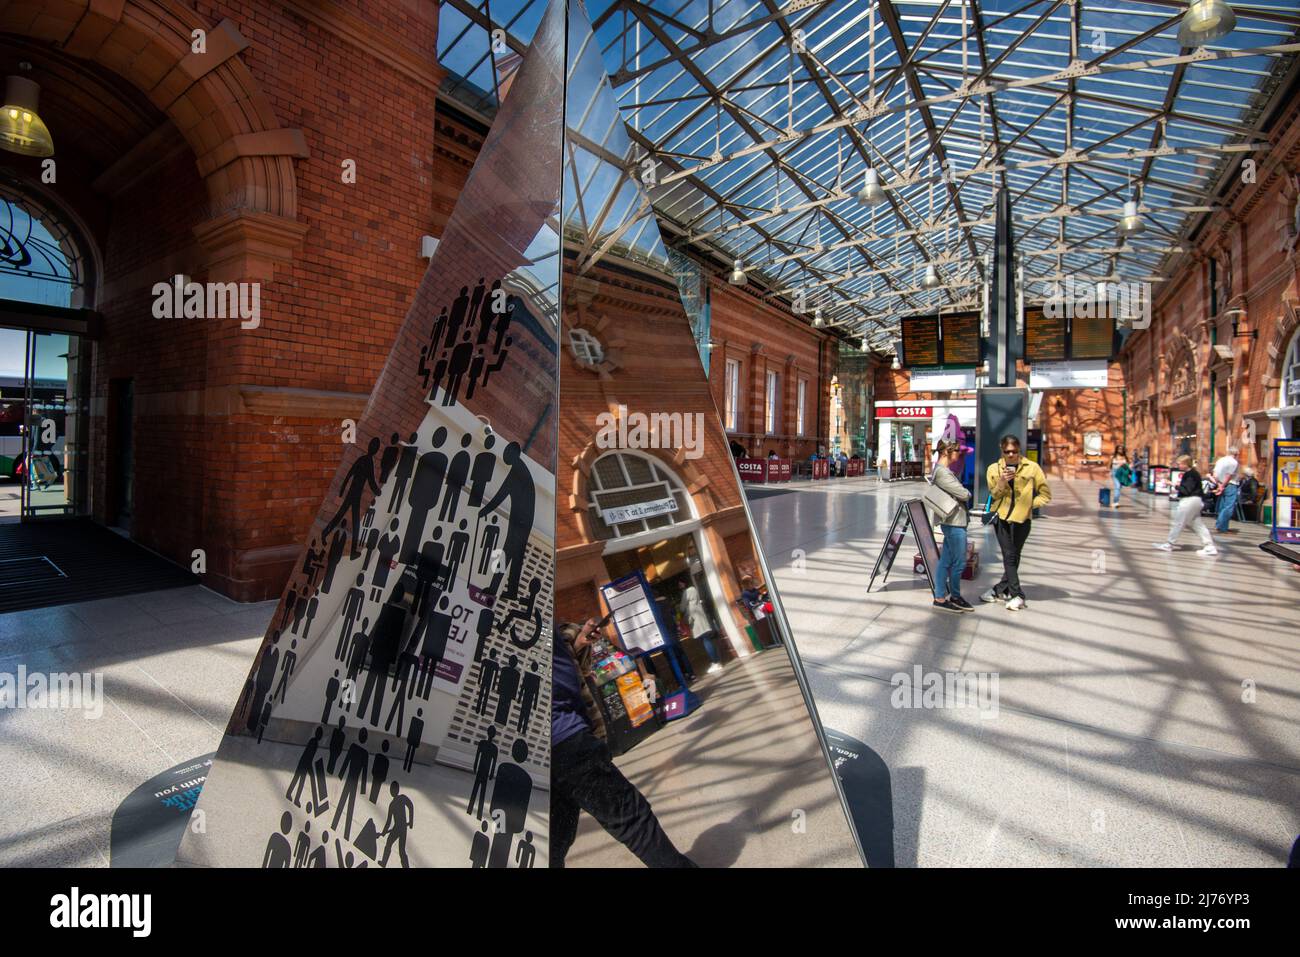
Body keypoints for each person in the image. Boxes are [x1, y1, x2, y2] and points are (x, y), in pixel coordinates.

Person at [550, 620, 695, 868]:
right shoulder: (524, 602)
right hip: (565, 738)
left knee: (554, 839)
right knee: (630, 816)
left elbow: (559, 666)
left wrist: (578, 642)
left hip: (537, 748)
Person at [982, 435, 1051, 611]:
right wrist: (1003, 481)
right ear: (1001, 450)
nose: (1011, 455)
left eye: (1014, 451)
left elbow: (1045, 495)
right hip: (1002, 517)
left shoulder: (1032, 468)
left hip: (1022, 518)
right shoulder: (993, 469)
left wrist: (1030, 506)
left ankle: (998, 590)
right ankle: (1017, 594)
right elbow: (994, 494)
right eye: (1007, 452)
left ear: (1019, 450)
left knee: (1014, 555)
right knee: (1009, 555)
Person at [928, 440, 973, 613]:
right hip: (954, 522)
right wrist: (965, 492)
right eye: (956, 452)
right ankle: (954, 596)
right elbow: (964, 494)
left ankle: (940, 597)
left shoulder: (943, 471)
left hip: (953, 521)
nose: (959, 455)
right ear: (946, 452)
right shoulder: (943, 473)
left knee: (946, 561)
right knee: (959, 563)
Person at [1154, 454, 1217, 556]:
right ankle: (1209, 546)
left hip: (1189, 501)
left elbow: (1186, 490)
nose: (1178, 466)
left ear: (1185, 464)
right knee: (1198, 524)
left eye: (1179, 464)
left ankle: (1169, 544)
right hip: (1196, 500)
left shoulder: (1190, 474)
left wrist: (1172, 484)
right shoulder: (1192, 474)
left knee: (1179, 522)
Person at [679, 580, 722, 675]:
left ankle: (715, 662)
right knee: (708, 639)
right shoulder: (695, 589)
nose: (679, 585)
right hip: (701, 618)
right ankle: (716, 661)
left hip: (696, 621)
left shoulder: (687, 591)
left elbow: (682, 607)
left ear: (684, 583)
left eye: (680, 583)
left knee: (706, 641)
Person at [1212, 445, 1241, 534]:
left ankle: (1219, 525)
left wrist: (1219, 484)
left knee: (1222, 506)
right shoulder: (1233, 462)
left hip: (1220, 483)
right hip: (1230, 485)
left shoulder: (1220, 460)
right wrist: (1223, 485)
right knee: (1228, 507)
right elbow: (1229, 475)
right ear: (1236, 454)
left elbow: (1215, 474)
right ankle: (1223, 527)